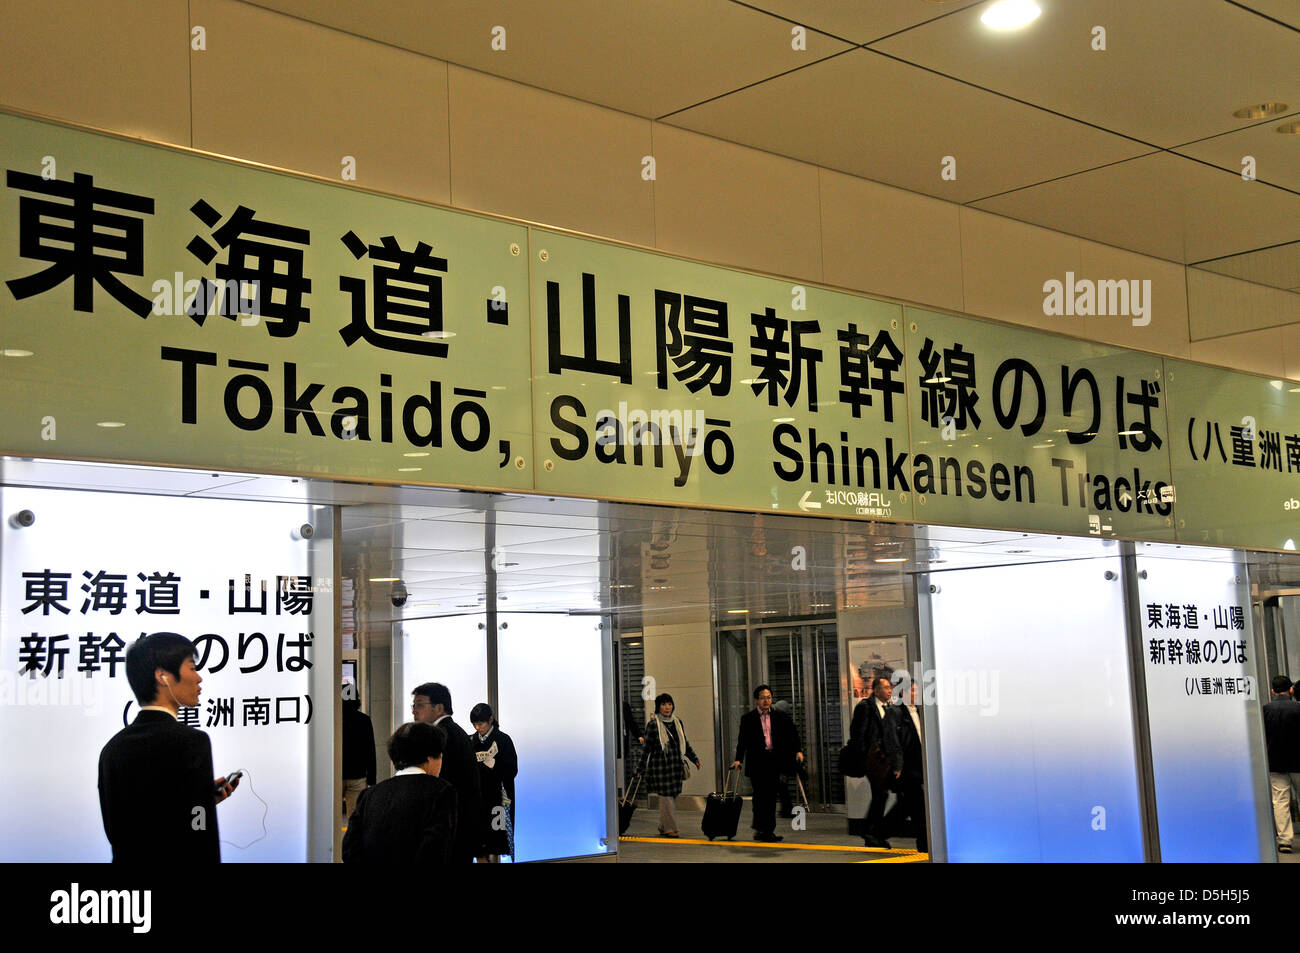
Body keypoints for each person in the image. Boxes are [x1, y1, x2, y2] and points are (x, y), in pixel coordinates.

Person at [97, 632, 239, 863]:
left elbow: (124, 830)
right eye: (192, 668)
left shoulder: (112, 748)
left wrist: (200, 800)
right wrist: (200, 807)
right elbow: (200, 834)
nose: (199, 678)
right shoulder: (192, 742)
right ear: (163, 676)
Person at [342, 721, 457, 864]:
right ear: (429, 757)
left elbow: (349, 848)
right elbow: (434, 850)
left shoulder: (370, 795)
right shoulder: (440, 791)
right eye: (440, 756)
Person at [412, 682, 482, 863]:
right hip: (459, 825)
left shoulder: (442, 736)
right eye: (414, 705)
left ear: (439, 708)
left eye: (420, 704)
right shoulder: (452, 732)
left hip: (452, 828)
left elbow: (441, 784)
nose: (414, 711)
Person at [733, 684, 803, 842]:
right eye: (763, 698)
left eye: (769, 698)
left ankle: (769, 830)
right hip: (757, 762)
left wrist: (797, 750)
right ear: (757, 700)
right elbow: (742, 741)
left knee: (771, 797)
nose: (766, 701)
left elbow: (793, 735)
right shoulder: (748, 719)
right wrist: (738, 759)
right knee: (759, 797)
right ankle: (760, 828)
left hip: (774, 761)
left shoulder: (780, 717)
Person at [849, 674, 902, 849]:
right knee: (881, 794)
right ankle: (872, 832)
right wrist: (865, 758)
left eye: (890, 688)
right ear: (876, 690)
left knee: (882, 795)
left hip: (885, 759)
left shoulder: (889, 708)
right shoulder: (865, 707)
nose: (890, 691)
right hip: (873, 760)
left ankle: (873, 832)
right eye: (886, 688)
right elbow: (858, 734)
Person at [642, 692, 702, 837]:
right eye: (663, 704)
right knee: (666, 798)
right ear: (658, 707)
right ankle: (671, 829)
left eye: (669, 704)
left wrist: (695, 759)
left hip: (675, 767)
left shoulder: (677, 722)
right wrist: (640, 768)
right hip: (660, 768)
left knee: (671, 797)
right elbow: (646, 750)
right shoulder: (653, 725)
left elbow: (684, 743)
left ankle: (663, 826)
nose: (667, 707)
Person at [469, 702, 518, 862]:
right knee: (478, 841)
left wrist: (495, 765)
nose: (477, 728)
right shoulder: (470, 741)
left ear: (491, 719)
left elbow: (512, 770)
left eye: (480, 723)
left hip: (498, 798)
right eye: (474, 724)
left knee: (497, 839)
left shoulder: (503, 740)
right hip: (478, 798)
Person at [882, 680, 927, 852]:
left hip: (920, 765)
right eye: (913, 690)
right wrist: (897, 765)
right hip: (908, 766)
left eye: (917, 691)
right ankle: (924, 844)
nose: (917, 694)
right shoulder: (896, 712)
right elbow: (892, 740)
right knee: (918, 807)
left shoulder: (920, 712)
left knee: (909, 805)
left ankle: (878, 832)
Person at [1263, 675, 1300, 854]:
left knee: (1280, 801)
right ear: (1291, 689)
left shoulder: (1265, 710)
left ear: (1272, 691)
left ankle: (1285, 840)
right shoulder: (1298, 708)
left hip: (1275, 762)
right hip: (1298, 762)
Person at [341, 683, 376, 821]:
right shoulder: (364, 720)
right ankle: (351, 842)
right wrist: (372, 778)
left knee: (330, 816)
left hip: (335, 774)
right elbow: (370, 750)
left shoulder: (333, 719)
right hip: (358, 775)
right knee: (354, 819)